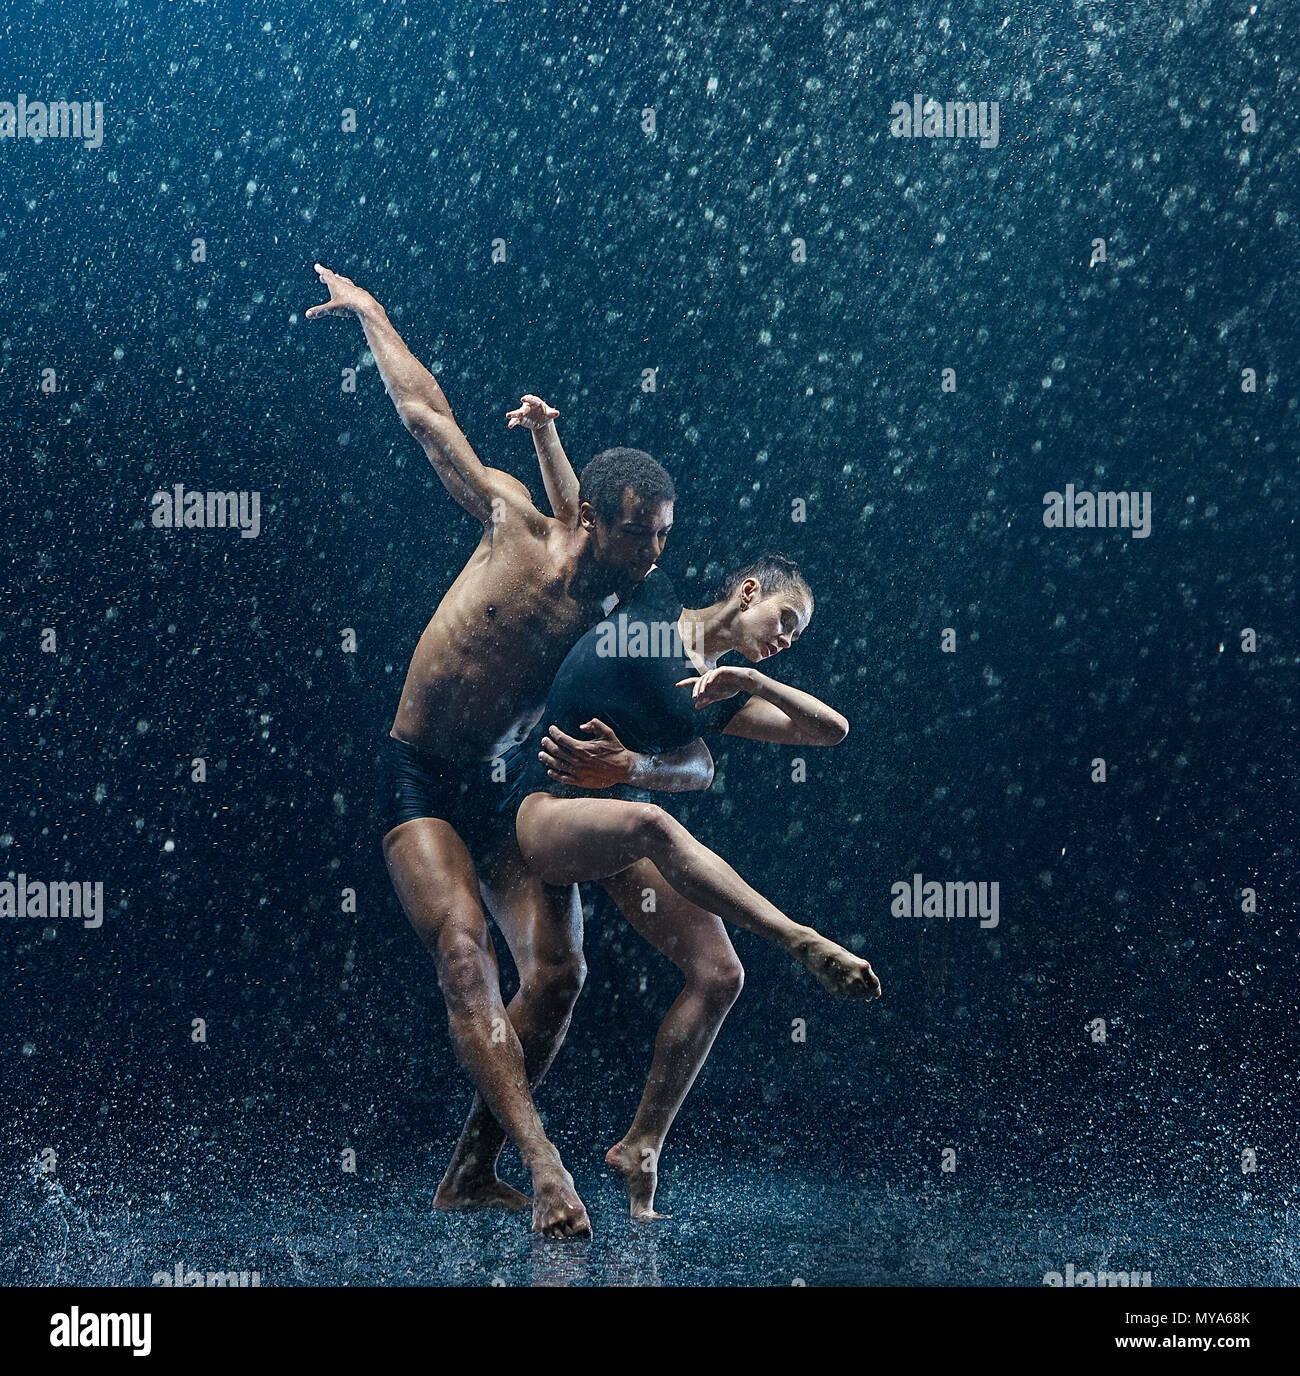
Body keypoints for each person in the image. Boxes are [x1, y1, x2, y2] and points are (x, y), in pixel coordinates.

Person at [307, 265, 705, 1237]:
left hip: (506, 787)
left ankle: (468, 1167)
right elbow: (427, 418)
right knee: (461, 951)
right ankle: (543, 1164)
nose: (653, 555)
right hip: (420, 777)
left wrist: (739, 664)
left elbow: (707, 645)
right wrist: (374, 314)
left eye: (662, 540)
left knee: (562, 976)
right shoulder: (510, 522)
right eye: (640, 536)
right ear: (593, 519)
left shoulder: (621, 605)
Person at [513, 555, 882, 1217]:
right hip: (541, 808)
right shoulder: (651, 597)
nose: (787, 640)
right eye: (786, 619)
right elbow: (586, 517)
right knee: (654, 823)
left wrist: (746, 678)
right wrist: (545, 441)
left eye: (796, 637)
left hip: (610, 824)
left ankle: (640, 1147)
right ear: (748, 591)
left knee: (720, 974)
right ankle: (799, 940)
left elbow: (831, 731)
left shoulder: (716, 695)